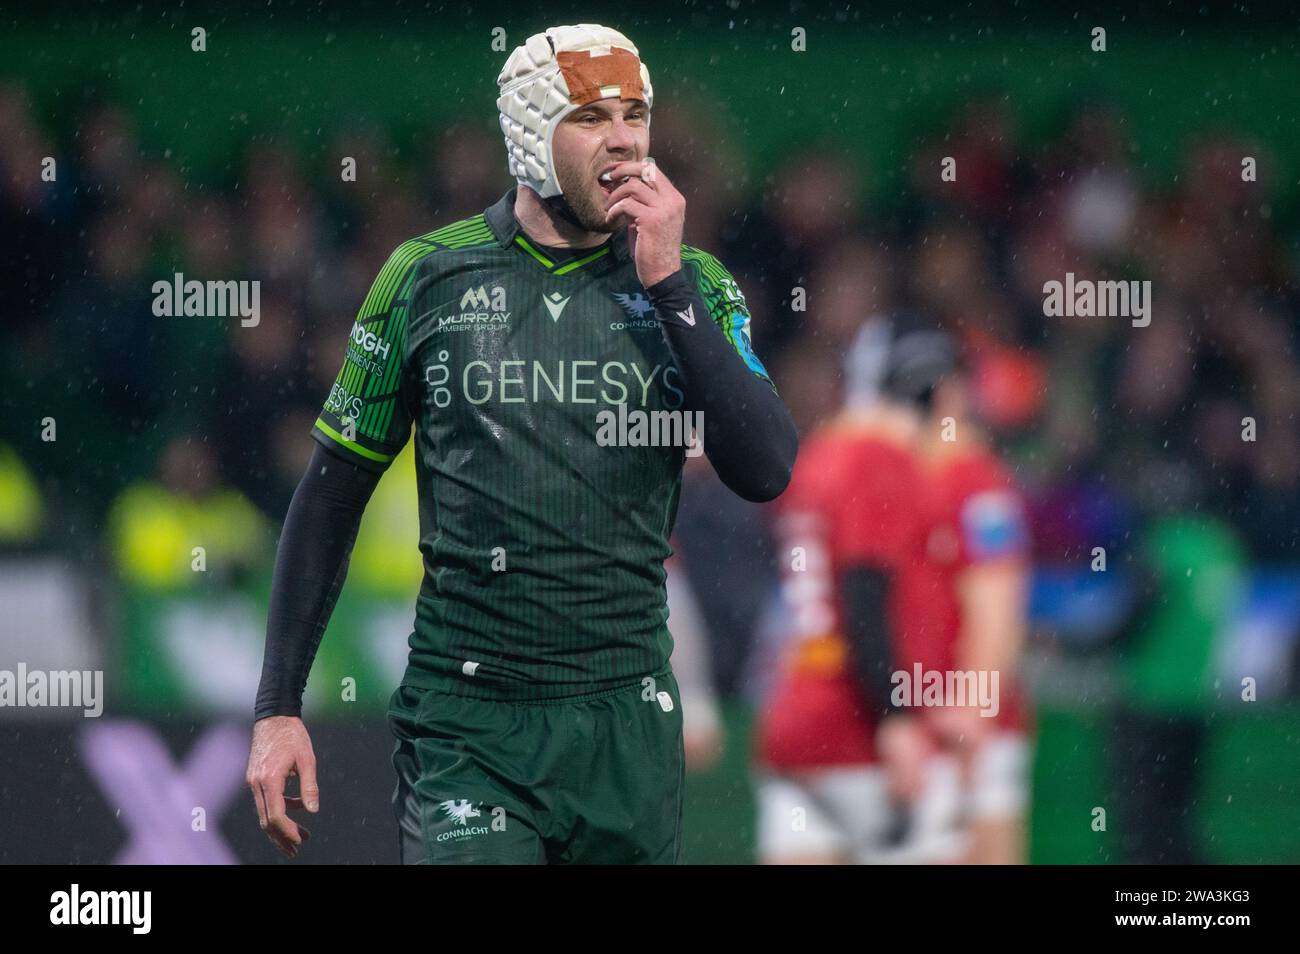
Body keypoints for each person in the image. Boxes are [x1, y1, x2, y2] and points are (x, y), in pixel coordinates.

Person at [245, 22, 797, 864]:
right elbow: (330, 494)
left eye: (636, 114)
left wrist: (670, 282)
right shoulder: (426, 276)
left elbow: (766, 470)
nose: (623, 138)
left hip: (628, 727)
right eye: (590, 116)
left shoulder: (696, 281)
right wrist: (277, 706)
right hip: (469, 723)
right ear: (532, 136)